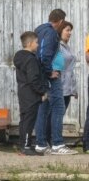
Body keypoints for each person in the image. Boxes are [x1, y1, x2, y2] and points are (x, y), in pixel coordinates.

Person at [36, 8, 67, 153]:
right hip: (49, 76)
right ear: (60, 21)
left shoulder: (39, 29)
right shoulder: (51, 32)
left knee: (44, 108)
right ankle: (57, 144)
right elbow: (44, 55)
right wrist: (49, 72)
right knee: (58, 107)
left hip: (41, 76)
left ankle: (41, 144)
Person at [13, 31, 49, 156]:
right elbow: (33, 79)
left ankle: (23, 145)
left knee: (24, 119)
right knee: (29, 120)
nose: (38, 45)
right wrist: (42, 92)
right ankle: (26, 146)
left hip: (23, 93)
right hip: (31, 95)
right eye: (36, 42)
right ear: (29, 43)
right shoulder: (31, 60)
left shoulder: (20, 57)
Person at [56, 21, 80, 155]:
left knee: (60, 115)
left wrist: (74, 88)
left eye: (71, 30)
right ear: (60, 31)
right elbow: (56, 67)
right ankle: (56, 143)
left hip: (67, 87)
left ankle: (56, 142)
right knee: (56, 115)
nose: (70, 33)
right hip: (59, 86)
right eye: (67, 30)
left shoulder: (67, 47)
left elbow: (70, 70)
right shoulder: (57, 46)